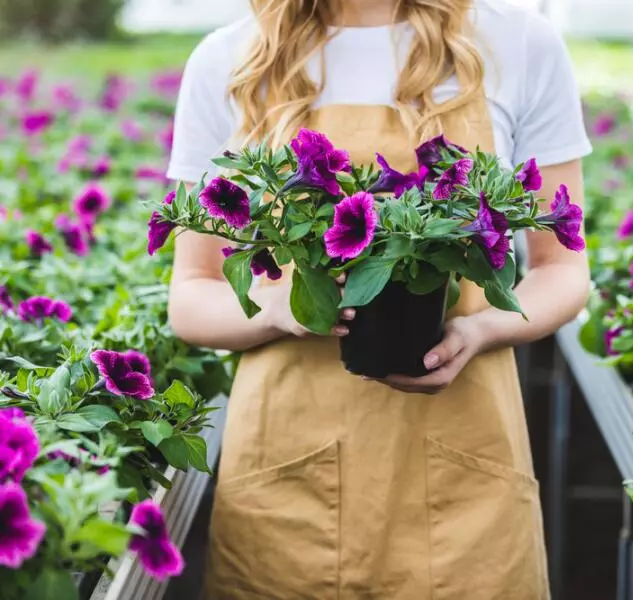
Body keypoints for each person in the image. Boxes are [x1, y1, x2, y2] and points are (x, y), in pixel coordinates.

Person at [165, 0, 591, 597]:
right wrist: (281, 309)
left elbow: (562, 270)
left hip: (463, 473)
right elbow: (191, 294)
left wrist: (482, 330)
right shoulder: (231, 59)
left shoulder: (517, 43)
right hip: (288, 479)